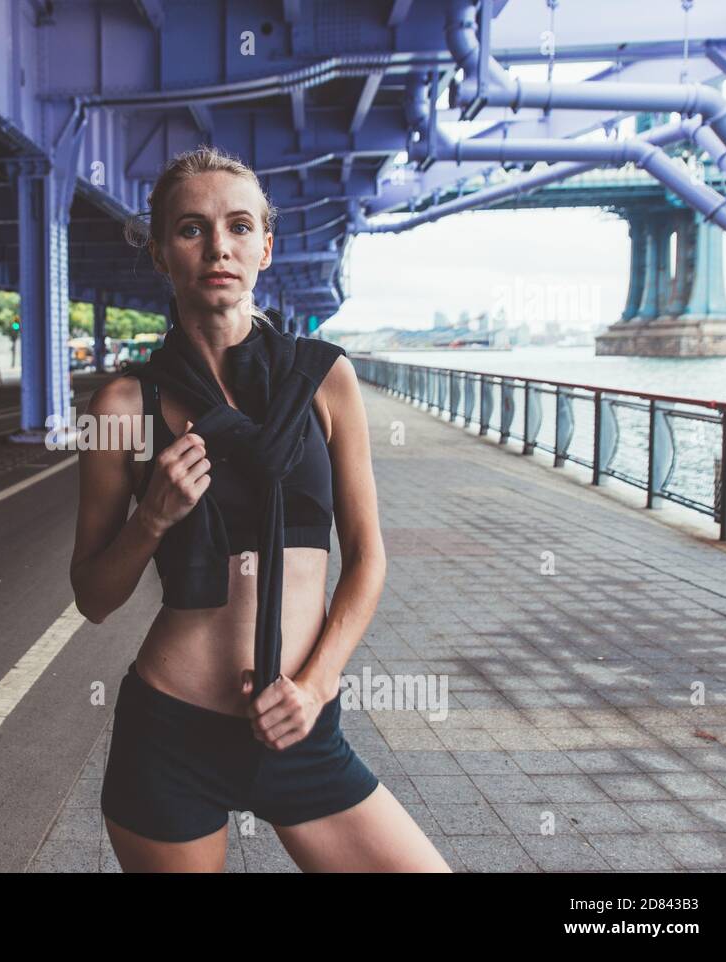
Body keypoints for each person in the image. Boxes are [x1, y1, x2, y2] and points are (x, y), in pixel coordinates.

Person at [69, 145, 451, 873]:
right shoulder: (121, 404)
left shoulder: (326, 379)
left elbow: (368, 559)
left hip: (299, 725)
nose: (219, 245)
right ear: (159, 252)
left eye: (239, 226)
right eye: (191, 228)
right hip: (170, 737)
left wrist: (314, 687)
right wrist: (151, 518)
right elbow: (91, 596)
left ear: (266, 248)